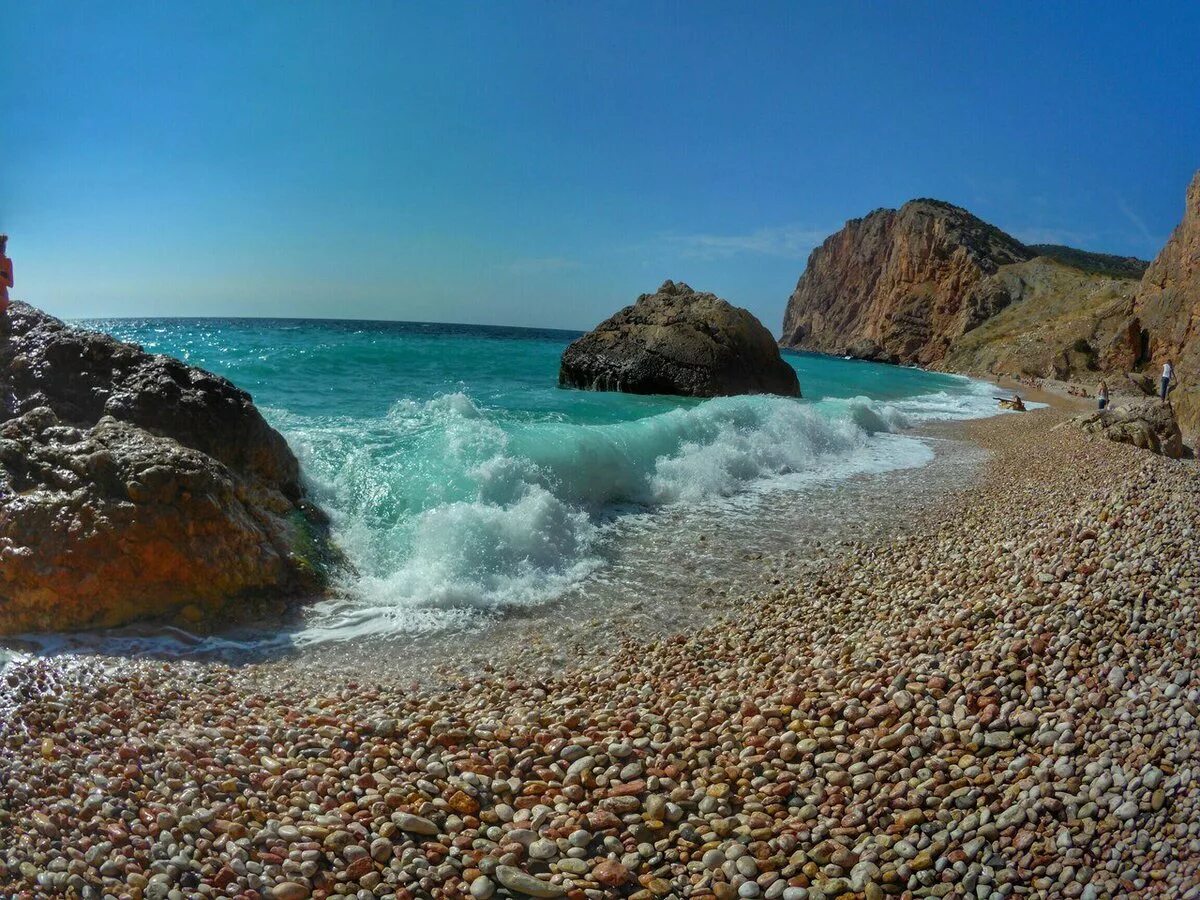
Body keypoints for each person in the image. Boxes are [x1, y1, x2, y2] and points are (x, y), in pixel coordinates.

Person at [0, 235, 12, 324]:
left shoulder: (7, 262)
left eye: (3, 246)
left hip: (2, 299)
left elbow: (10, 284)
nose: (3, 249)